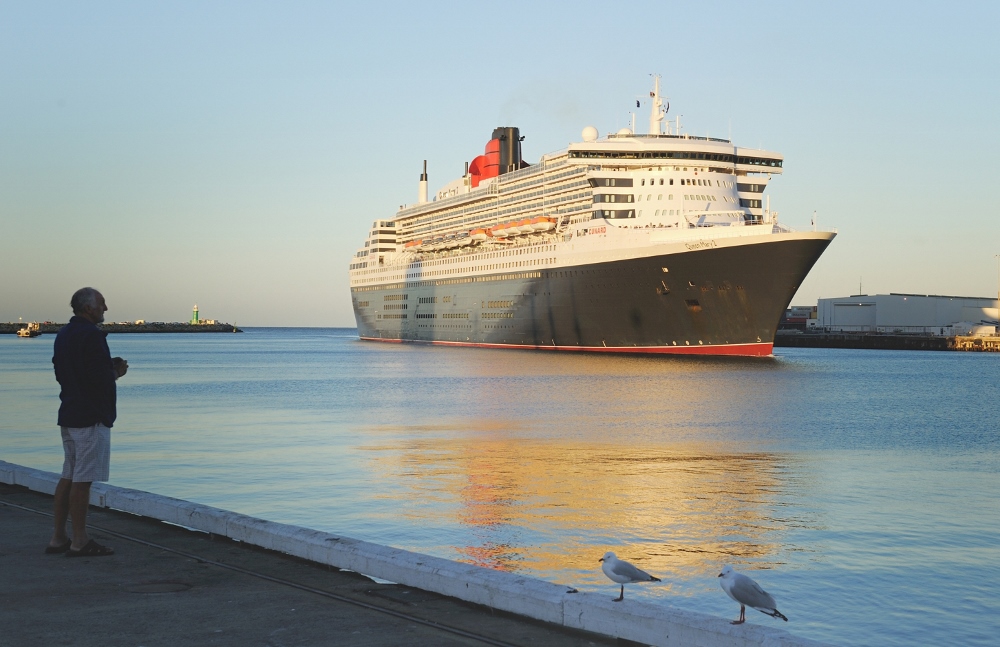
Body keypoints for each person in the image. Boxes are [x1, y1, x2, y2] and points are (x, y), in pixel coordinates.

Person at [47, 287, 127, 557]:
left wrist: (105, 369)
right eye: (102, 304)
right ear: (88, 308)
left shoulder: (64, 334)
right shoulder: (92, 335)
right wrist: (115, 371)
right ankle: (79, 540)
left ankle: (59, 537)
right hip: (90, 417)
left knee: (68, 476)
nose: (106, 309)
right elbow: (97, 378)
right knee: (83, 480)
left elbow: (63, 370)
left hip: (70, 411)